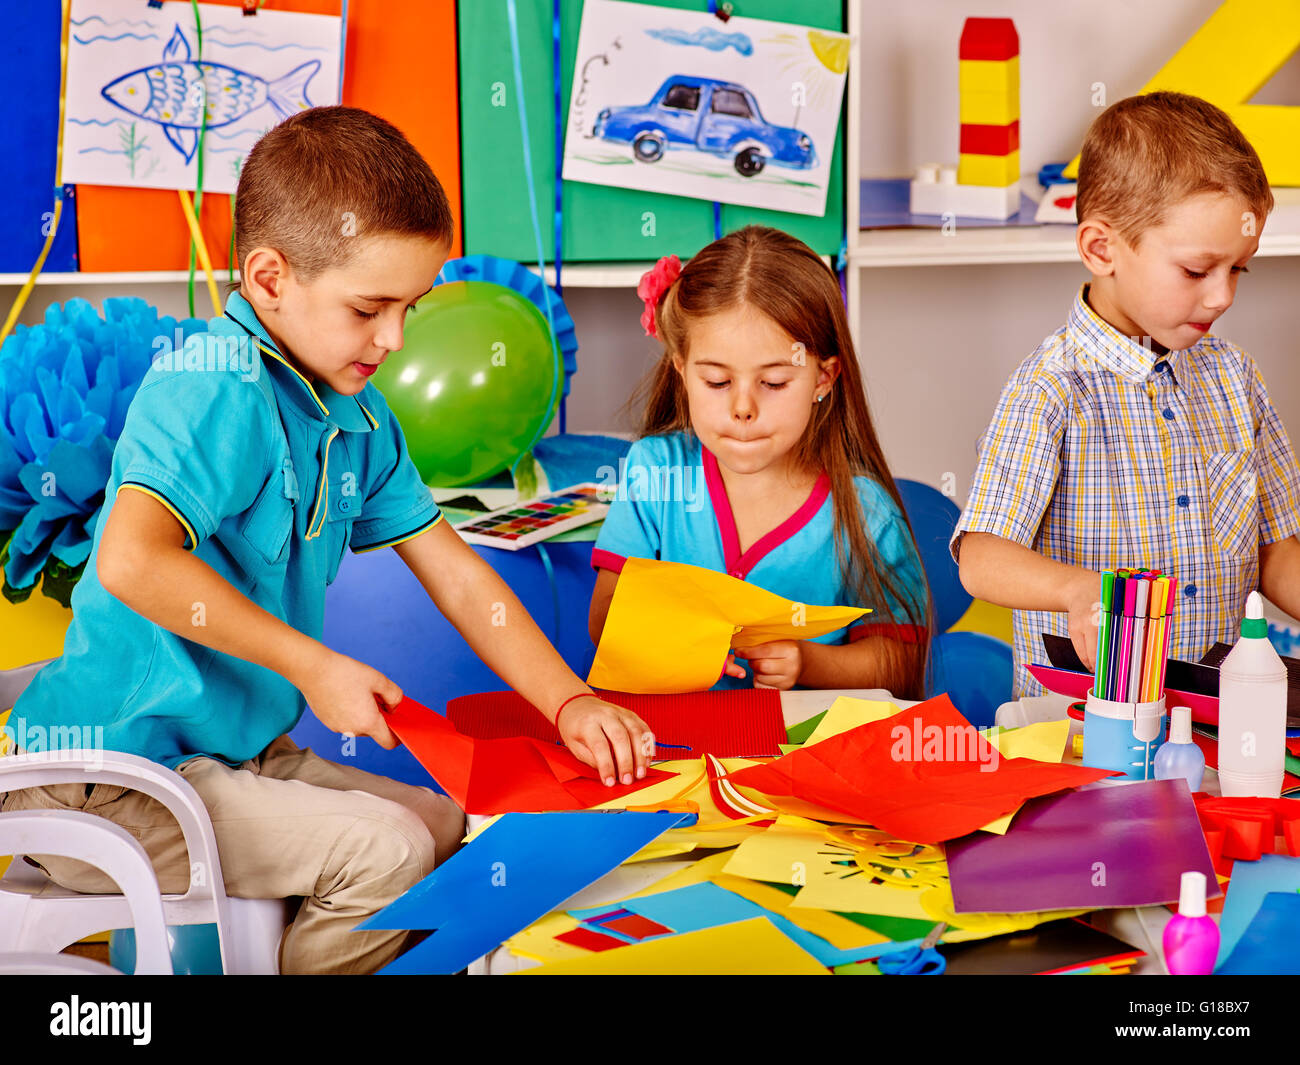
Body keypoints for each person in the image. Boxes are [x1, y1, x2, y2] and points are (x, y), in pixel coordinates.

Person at [1, 106, 651, 974]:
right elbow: (130, 558)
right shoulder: (212, 385)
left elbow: (458, 575)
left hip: (235, 755)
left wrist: (568, 700)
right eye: (369, 307)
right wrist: (313, 666)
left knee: (440, 824)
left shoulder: (356, 414)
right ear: (268, 279)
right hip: (113, 782)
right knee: (384, 852)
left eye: (411, 308)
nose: (393, 339)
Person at [954, 92, 1300, 695]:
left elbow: (1275, 554)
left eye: (1239, 269)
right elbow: (982, 558)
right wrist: (1075, 590)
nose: (1222, 296)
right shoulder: (1051, 388)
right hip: (1082, 737)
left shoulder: (1236, 377)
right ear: (1100, 249)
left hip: (1213, 725)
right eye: (1197, 271)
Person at [589, 226, 930, 697]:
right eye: (716, 382)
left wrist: (809, 662)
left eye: (772, 383)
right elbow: (605, 620)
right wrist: (679, 641)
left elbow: (900, 663)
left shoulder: (867, 512)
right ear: (682, 369)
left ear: (823, 379)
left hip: (799, 756)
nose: (743, 408)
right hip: (672, 747)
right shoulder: (655, 472)